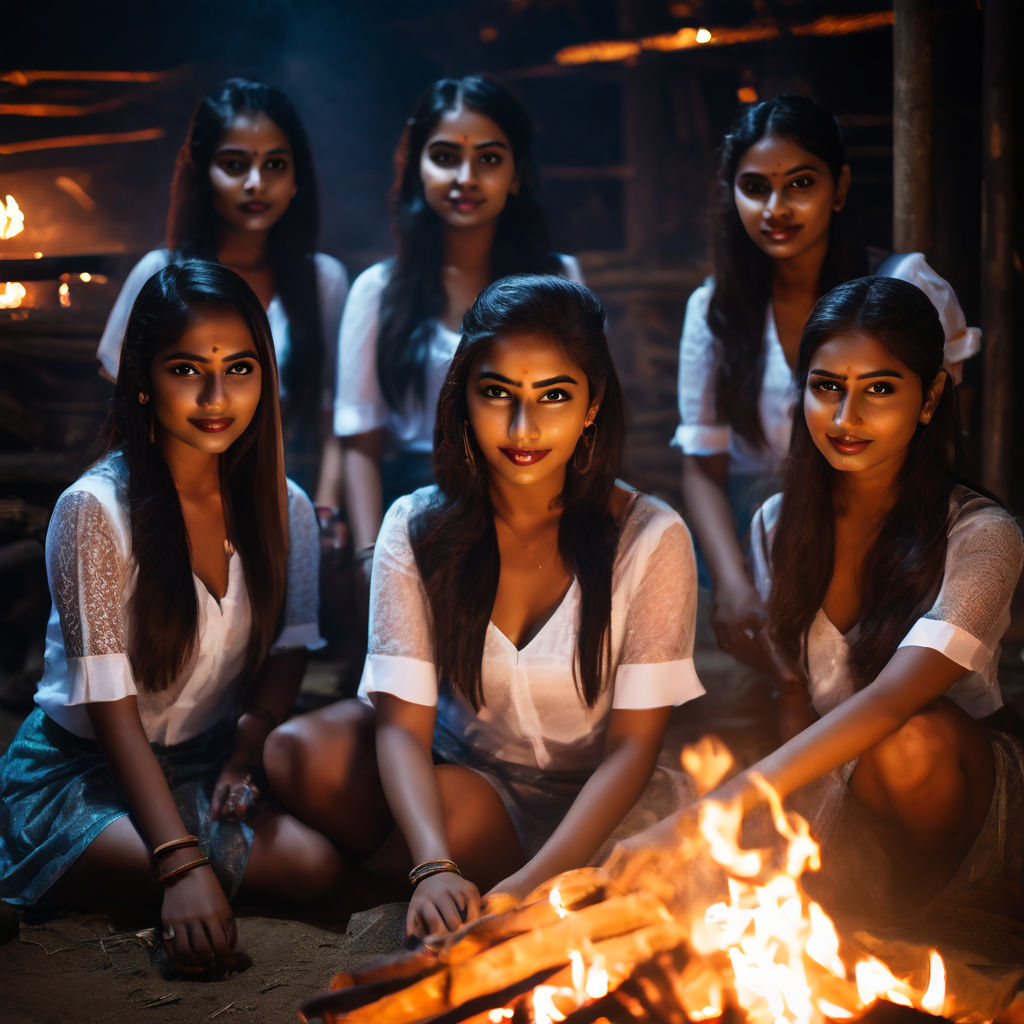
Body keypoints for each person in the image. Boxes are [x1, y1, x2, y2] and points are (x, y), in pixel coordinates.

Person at [265, 275, 704, 940]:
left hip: (596, 794)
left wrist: (526, 888)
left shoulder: (651, 536)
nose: (524, 428)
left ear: (592, 405)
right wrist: (432, 864)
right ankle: (412, 873)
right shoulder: (415, 526)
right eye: (498, 393)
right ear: (464, 398)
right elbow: (402, 727)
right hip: (465, 762)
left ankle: (349, 882)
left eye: (554, 396)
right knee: (297, 752)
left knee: (450, 810)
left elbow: (633, 750)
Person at [635, 276, 1022, 926]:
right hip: (838, 793)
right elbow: (797, 698)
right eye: (826, 387)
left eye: (879, 389)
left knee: (906, 745)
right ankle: (860, 911)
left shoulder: (984, 536)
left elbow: (890, 702)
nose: (846, 418)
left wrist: (717, 811)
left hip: (961, 808)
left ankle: (925, 920)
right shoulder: (776, 525)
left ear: (929, 398)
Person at [0, 261, 342, 975]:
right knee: (199, 879)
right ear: (142, 380)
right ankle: (117, 870)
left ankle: (138, 878)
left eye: (241, 368)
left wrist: (246, 750)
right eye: (188, 369)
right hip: (81, 773)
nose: (217, 397)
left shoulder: (289, 507)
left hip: (203, 763)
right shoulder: (93, 512)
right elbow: (112, 707)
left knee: (315, 870)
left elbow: (286, 652)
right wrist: (181, 863)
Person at [674, 95, 980, 667]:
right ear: (731, 193)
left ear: (838, 188)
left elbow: (943, 432)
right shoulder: (717, 309)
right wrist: (735, 585)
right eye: (755, 187)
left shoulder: (904, 283)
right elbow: (702, 467)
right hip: (760, 525)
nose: (777, 207)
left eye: (800, 184)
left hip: (886, 514)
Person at [330, 74, 582, 561]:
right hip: (413, 515)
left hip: (534, 503)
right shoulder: (378, 291)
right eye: (445, 157)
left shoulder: (560, 278)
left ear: (517, 173)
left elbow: (585, 415)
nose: (466, 177)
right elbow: (360, 445)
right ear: (416, 168)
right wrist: (369, 558)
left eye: (488, 159)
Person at [95, 78, 348, 501]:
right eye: (234, 165)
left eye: (275, 165)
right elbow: (128, 415)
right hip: (176, 497)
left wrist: (325, 506)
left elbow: (331, 416)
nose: (255, 183)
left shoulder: (324, 280)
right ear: (202, 174)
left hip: (289, 495)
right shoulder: (160, 272)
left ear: (295, 179)